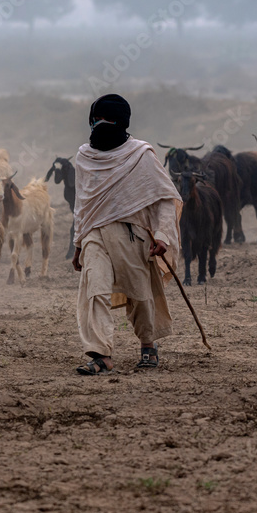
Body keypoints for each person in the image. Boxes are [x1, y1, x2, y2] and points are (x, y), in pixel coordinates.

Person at [71, 94, 182, 375]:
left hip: (133, 234)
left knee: (140, 293)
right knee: (94, 291)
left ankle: (148, 345)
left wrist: (162, 236)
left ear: (120, 123)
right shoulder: (85, 156)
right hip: (94, 235)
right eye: (95, 121)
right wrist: (78, 243)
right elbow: (82, 203)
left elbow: (164, 198)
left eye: (105, 120)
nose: (99, 125)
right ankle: (101, 354)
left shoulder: (140, 154)